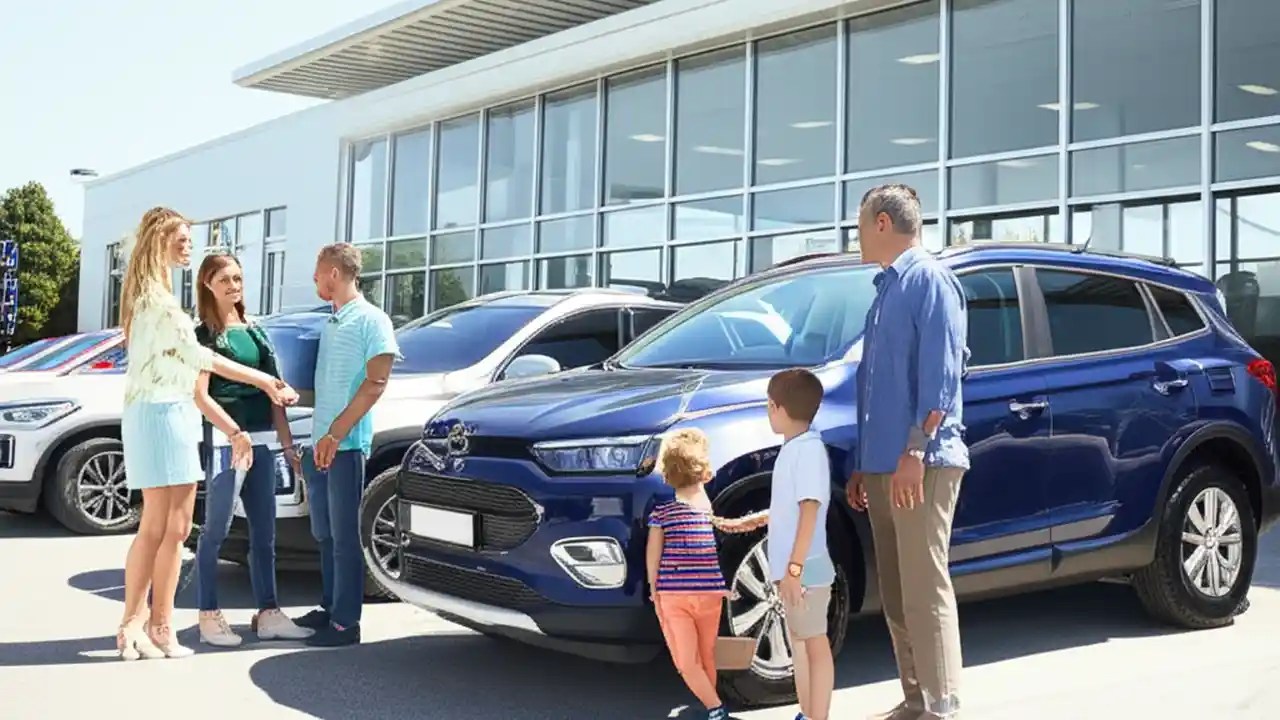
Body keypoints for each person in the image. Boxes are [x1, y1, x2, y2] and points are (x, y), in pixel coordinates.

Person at [115, 207, 298, 661]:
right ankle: (130, 626)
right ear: (159, 240)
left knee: (177, 529)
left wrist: (264, 383)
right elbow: (202, 358)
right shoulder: (152, 300)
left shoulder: (162, 296)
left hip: (175, 414)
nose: (188, 246)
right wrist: (263, 382)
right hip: (155, 414)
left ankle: (161, 626)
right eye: (181, 239)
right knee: (156, 526)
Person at [845, 184, 969, 720]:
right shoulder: (885, 290)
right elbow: (875, 386)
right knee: (896, 594)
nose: (854, 234)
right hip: (882, 466)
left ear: (880, 223)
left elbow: (940, 375)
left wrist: (915, 449)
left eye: (858, 222)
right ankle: (916, 699)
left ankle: (944, 706)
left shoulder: (929, 281)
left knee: (924, 588)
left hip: (923, 462)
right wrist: (862, 464)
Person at [191, 252, 313, 646]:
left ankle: (269, 613)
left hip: (263, 443)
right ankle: (208, 614)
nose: (234, 285)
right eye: (224, 279)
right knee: (216, 531)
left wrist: (288, 446)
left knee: (266, 533)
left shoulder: (256, 330)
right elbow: (200, 396)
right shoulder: (203, 336)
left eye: (238, 278)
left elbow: (274, 390)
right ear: (207, 283)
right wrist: (231, 432)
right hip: (228, 443)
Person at [292, 243, 401, 647]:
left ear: (334, 273)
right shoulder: (333, 322)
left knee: (344, 536)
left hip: (346, 445)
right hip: (319, 445)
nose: (316, 279)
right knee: (323, 533)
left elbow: (376, 383)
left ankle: (346, 624)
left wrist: (336, 434)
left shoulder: (373, 320)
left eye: (318, 272)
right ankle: (330, 607)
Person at [718, 368, 836, 720]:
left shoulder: (808, 451)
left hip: (806, 567)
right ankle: (807, 711)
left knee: (814, 643)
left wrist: (795, 569)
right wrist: (757, 521)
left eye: (770, 405)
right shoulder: (795, 448)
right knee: (800, 644)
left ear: (778, 407)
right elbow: (790, 508)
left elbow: (810, 511)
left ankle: (818, 715)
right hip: (792, 567)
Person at [645, 428, 730, 720]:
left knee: (686, 660)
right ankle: (712, 705)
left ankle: (715, 708)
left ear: (666, 474)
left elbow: (653, 554)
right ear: (704, 472)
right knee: (707, 655)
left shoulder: (661, 514)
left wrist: (653, 586)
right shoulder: (706, 508)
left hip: (674, 593)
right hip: (710, 592)